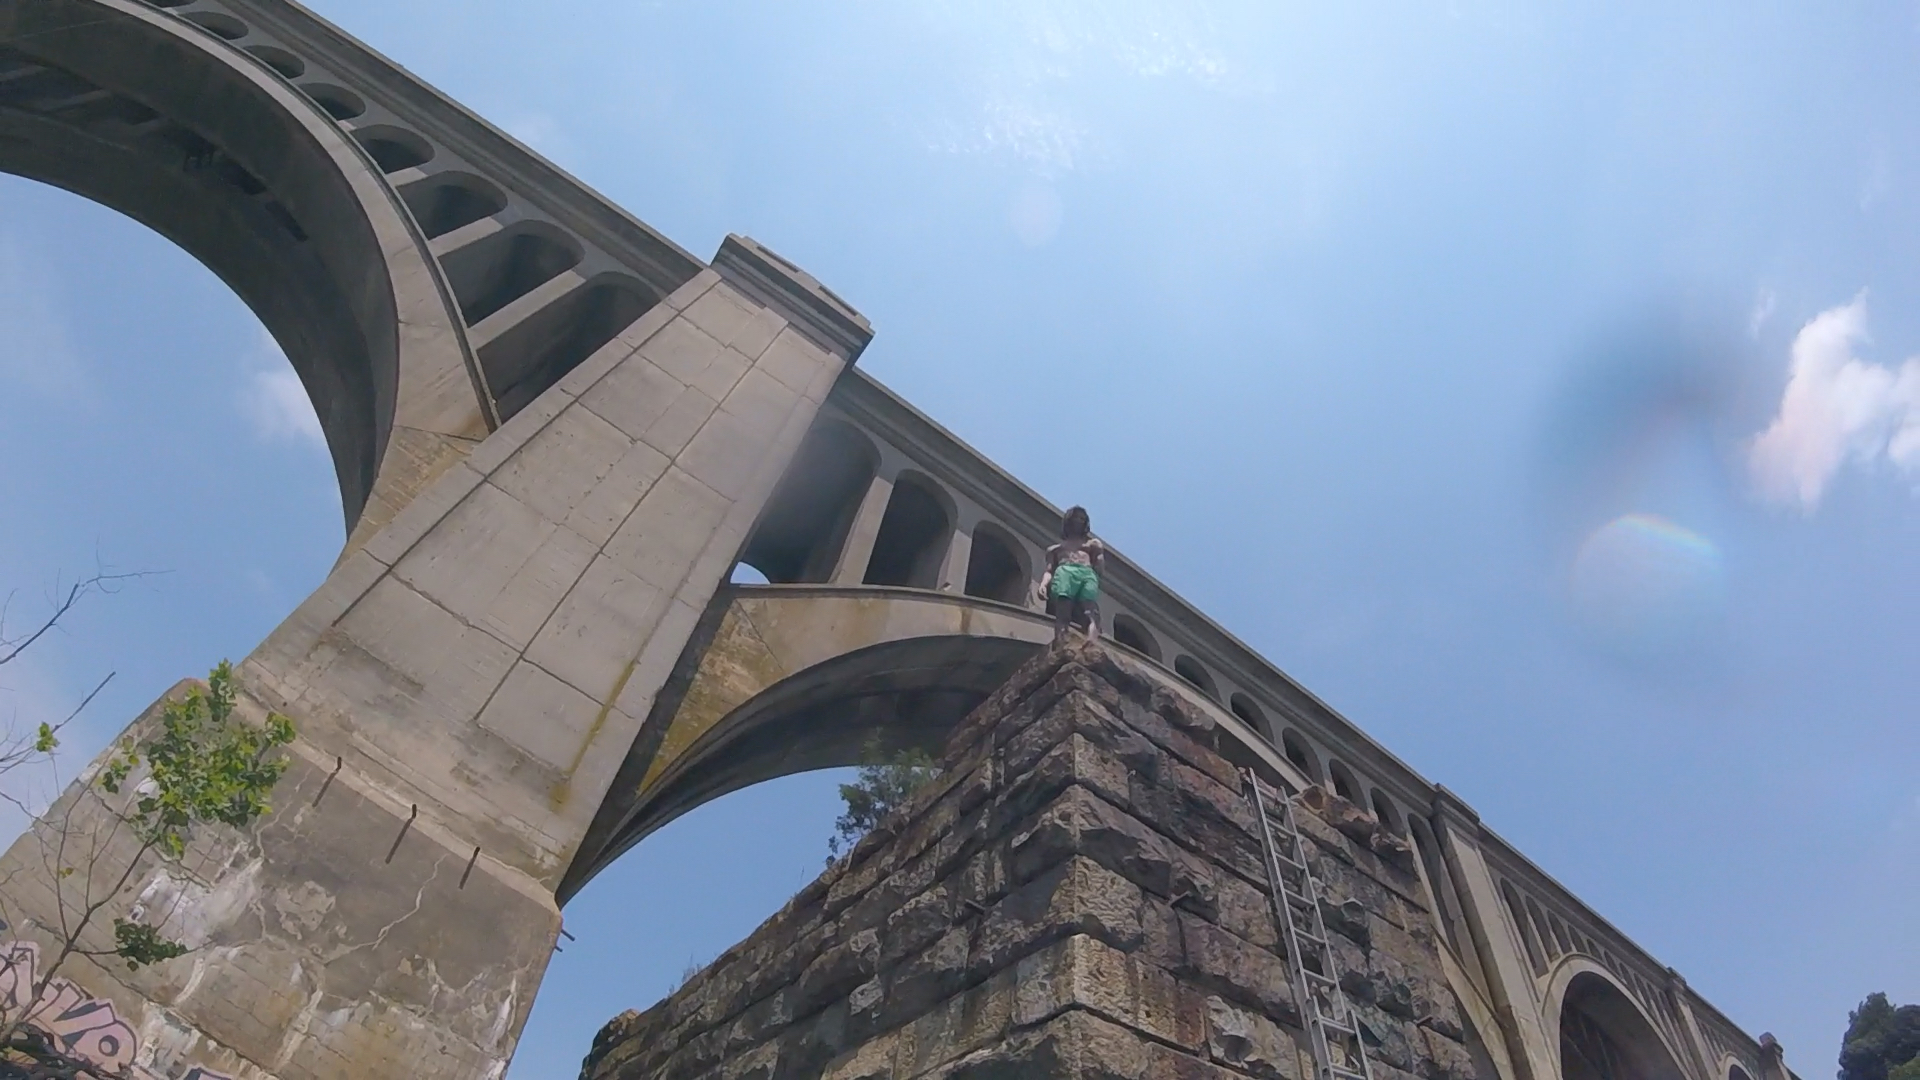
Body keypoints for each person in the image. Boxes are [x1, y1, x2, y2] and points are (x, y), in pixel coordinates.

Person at [1043, 506, 1106, 643]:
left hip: (1086, 572)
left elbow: (1100, 568)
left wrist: (1098, 561)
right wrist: (1043, 584)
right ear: (1068, 521)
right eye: (1076, 517)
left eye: (1082, 518)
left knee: (1090, 612)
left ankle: (1091, 642)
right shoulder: (1055, 549)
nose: (1078, 520)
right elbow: (1049, 570)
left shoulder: (1092, 544)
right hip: (1065, 571)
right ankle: (1060, 641)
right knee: (1063, 610)